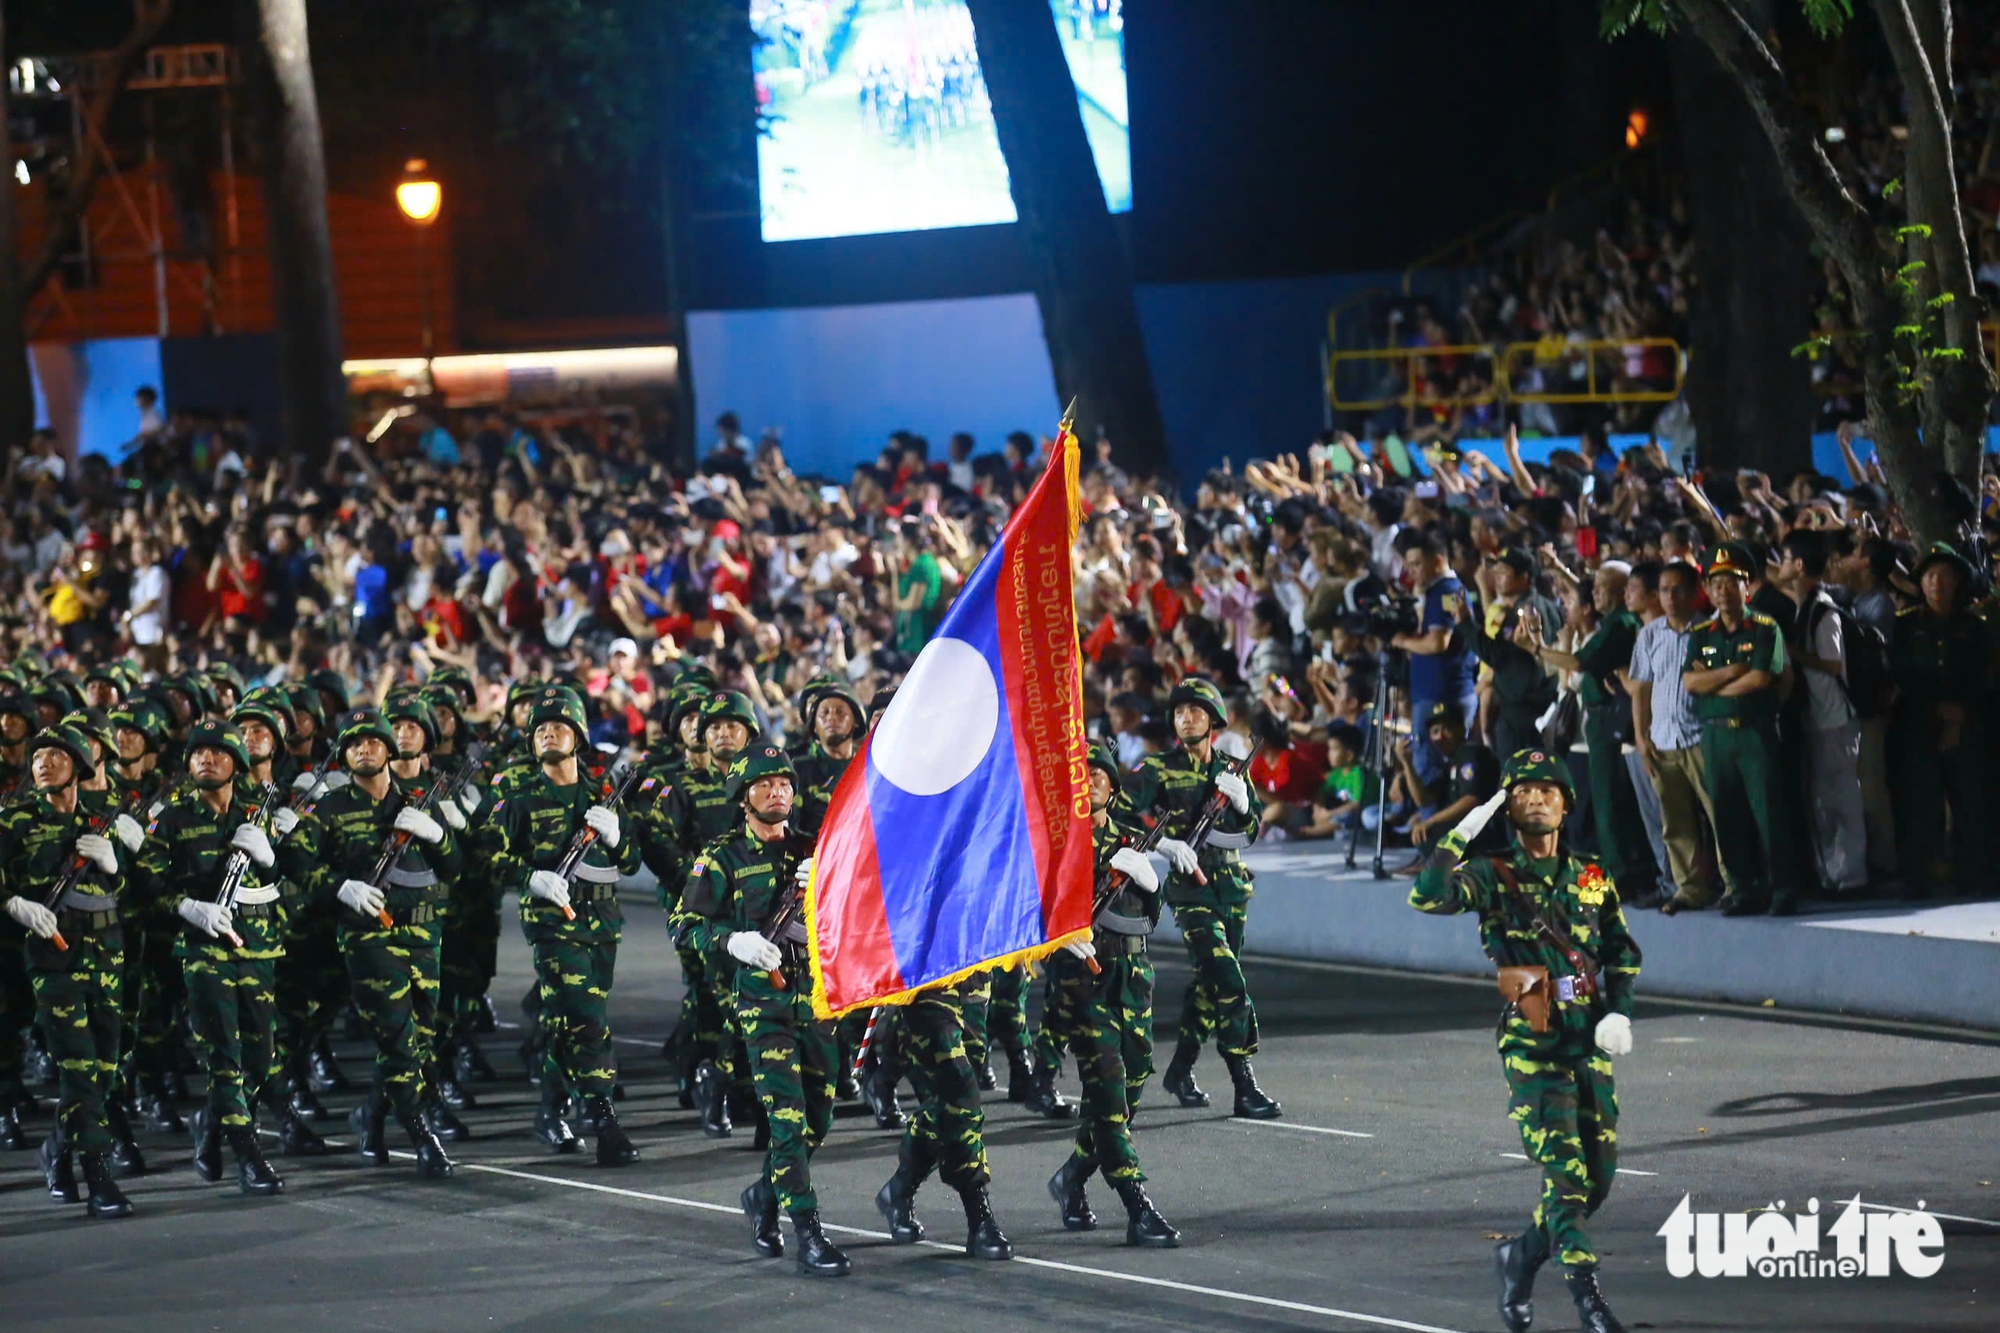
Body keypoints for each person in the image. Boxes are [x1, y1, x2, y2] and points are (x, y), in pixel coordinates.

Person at [1410, 748, 1641, 1333]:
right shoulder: (1492, 874)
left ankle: (1519, 1258)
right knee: (1564, 1176)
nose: (1534, 799)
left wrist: (1622, 1012)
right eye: (1520, 792)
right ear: (1506, 808)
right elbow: (1429, 895)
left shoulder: (1590, 874)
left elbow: (1621, 952)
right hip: (1533, 1037)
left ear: (1565, 805)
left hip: (1589, 1036)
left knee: (1597, 1179)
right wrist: (1460, 830)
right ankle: (1589, 1299)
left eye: (1546, 790)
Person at [680, 743, 850, 1275]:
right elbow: (683, 923)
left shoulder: (815, 849)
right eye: (765, 785)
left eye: (785, 785)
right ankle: (809, 1232)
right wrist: (733, 942)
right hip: (762, 1004)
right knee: (787, 1122)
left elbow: (852, 913)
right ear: (742, 796)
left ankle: (764, 1195)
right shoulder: (722, 856)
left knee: (817, 1121)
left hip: (816, 1002)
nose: (778, 792)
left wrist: (825, 886)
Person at [130, 720, 298, 1196]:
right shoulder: (172, 817)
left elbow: (284, 881)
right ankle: (248, 1154)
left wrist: (270, 857)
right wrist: (187, 908)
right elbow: (146, 882)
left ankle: (210, 1118)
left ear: (236, 765)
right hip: (204, 950)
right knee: (223, 1054)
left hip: (258, 945)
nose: (205, 759)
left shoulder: (256, 813)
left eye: (217, 753)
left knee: (262, 1059)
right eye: (197, 753)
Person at [302, 707, 459, 1178]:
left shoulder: (417, 804)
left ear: (390, 750)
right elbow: (295, 865)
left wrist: (438, 835)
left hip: (424, 935)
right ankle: (418, 1130)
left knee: (422, 1040)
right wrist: (339, 886)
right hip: (369, 936)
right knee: (396, 1037)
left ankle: (370, 1115)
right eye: (353, 744)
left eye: (372, 742)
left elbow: (454, 869)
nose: (364, 749)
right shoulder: (329, 809)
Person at [490, 687, 643, 1166]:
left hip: (603, 923)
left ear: (577, 736)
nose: (548, 735)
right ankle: (604, 1120)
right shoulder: (518, 796)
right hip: (553, 924)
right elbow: (488, 856)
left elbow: (633, 861)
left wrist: (617, 835)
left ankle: (551, 1107)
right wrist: (528, 877)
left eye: (558, 727)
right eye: (540, 730)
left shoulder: (602, 794)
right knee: (588, 1019)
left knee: (571, 1020)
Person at [0, 722, 142, 1218]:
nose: (43, 763)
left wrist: (120, 864)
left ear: (81, 767)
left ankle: (57, 1148)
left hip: (107, 955)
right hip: (54, 961)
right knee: (79, 1070)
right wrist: (12, 901)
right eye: (38, 757)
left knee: (104, 1072)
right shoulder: (14, 821)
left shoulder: (106, 821)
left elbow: (141, 896)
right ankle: (100, 1178)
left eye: (57, 756)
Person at [1043, 744, 1180, 1248]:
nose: (1092, 779)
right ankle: (1137, 1204)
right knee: (1106, 1091)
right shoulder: (1055, 839)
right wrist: (1058, 930)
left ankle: (1073, 1177)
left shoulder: (1128, 840)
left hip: (1132, 974)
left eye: (1100, 772)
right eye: (1083, 772)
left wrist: (1150, 882)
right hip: (1081, 982)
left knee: (1132, 1087)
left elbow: (1148, 916)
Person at [1124, 677, 1279, 1119]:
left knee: (1209, 988)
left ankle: (1181, 1068)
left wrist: (1246, 805)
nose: (1185, 717)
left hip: (1232, 887)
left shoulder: (1231, 768)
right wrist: (1162, 845)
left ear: (1213, 719)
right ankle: (1243, 1079)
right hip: (1190, 890)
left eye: (1194, 710)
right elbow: (1120, 812)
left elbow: (1249, 831)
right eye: (1178, 712)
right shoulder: (1157, 768)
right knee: (1227, 978)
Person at [1683, 544, 1795, 915]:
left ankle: (1782, 887)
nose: (1723, 591)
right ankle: (1744, 887)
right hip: (1715, 734)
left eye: (1731, 583)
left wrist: (1714, 683)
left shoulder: (1764, 627)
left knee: (1769, 812)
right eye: (1716, 584)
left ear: (1746, 587)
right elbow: (1689, 683)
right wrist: (1732, 673)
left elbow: (1761, 679)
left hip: (1753, 731)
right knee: (1727, 814)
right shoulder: (1701, 631)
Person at [1887, 543, 1997, 898]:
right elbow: (1901, 673)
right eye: (1930, 577)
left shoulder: (1974, 626)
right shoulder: (1905, 625)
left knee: (1969, 801)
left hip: (1968, 724)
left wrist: (1961, 714)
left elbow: (1984, 675)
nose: (1937, 584)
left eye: (1945, 576)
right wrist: (1935, 710)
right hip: (1919, 724)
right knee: (1921, 802)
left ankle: (1973, 874)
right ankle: (1920, 875)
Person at [1774, 530, 1869, 896]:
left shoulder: (1823, 610)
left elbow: (1831, 664)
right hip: (1818, 716)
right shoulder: (1806, 606)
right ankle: (1832, 871)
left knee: (1841, 797)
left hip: (1835, 716)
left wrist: (1792, 652)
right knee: (1823, 799)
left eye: (1784, 559)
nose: (1780, 566)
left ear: (1798, 564)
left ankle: (1852, 875)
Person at [1626, 561, 1724, 913]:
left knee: (1720, 815)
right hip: (1662, 739)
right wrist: (1641, 736)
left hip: (1700, 735)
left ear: (1695, 592)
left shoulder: (1711, 630)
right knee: (1675, 822)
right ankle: (1690, 887)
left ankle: (1734, 884)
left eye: (1678, 589)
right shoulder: (1650, 635)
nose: (1670, 596)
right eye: (1664, 590)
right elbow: (1641, 689)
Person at [1389, 532, 1478, 786]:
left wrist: (1402, 641)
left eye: (1417, 564)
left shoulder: (1448, 591)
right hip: (1433, 692)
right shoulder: (1437, 590)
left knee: (1430, 773)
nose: (1411, 571)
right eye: (1408, 564)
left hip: (1442, 695)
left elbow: (1439, 642)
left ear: (1438, 562)